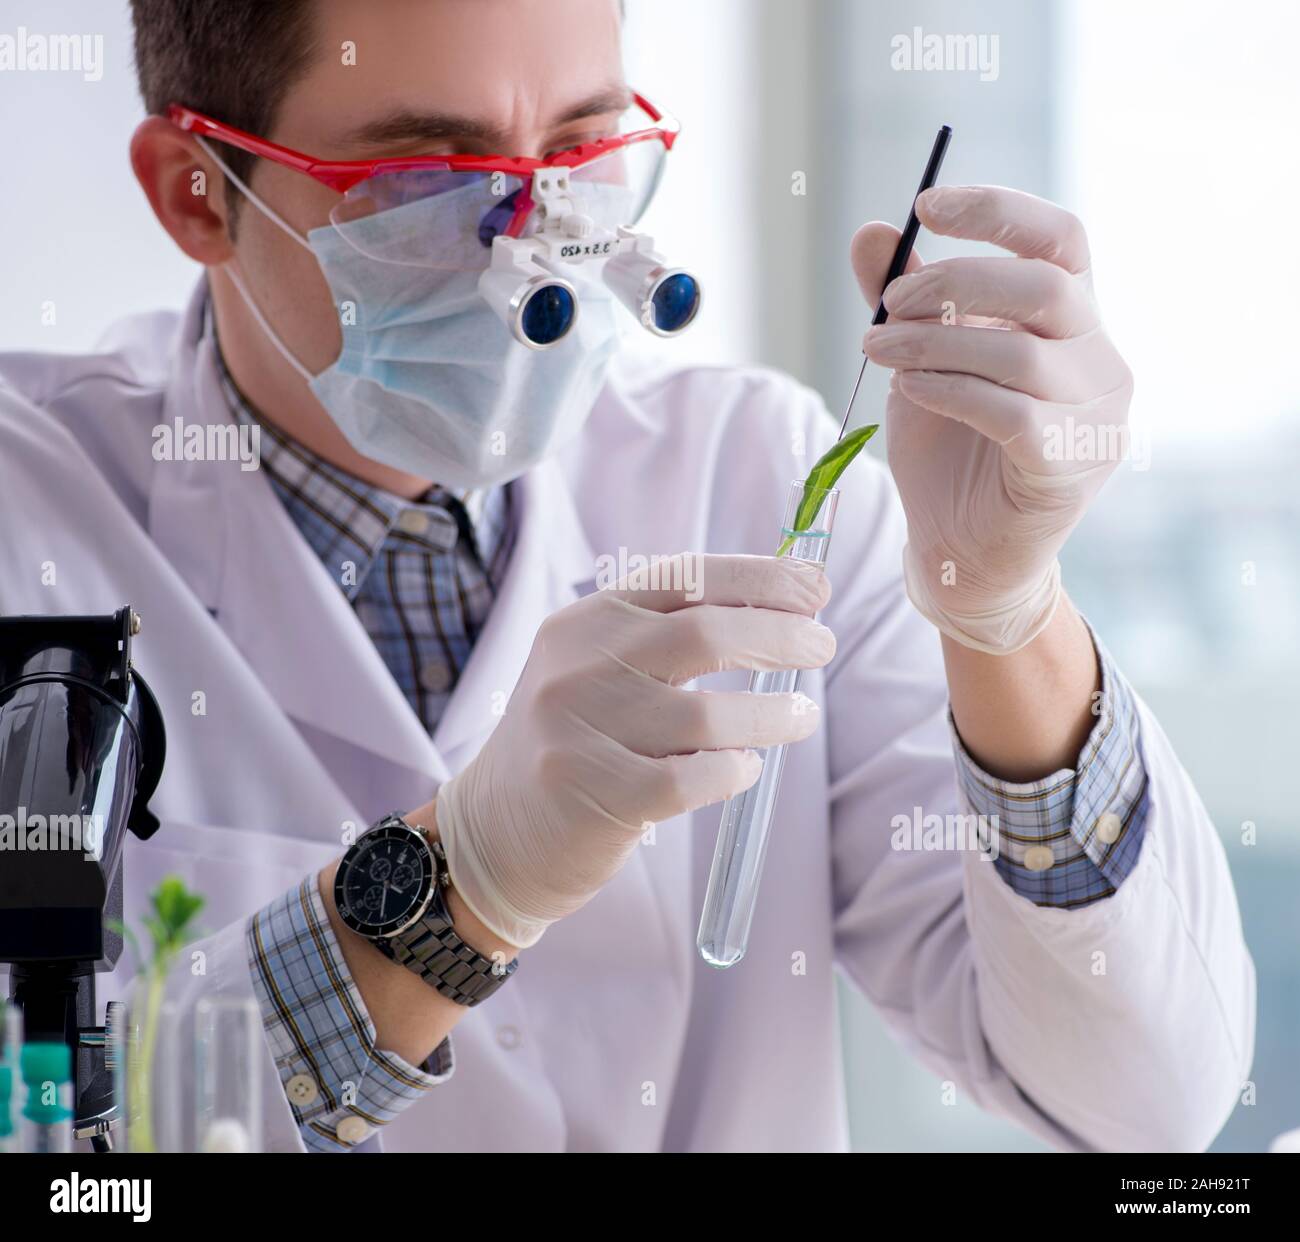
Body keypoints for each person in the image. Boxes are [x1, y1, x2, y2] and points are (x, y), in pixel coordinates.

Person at [0, 0, 1252, 1153]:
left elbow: (1145, 1105)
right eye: (435, 178)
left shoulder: (755, 471)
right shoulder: (28, 516)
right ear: (198, 192)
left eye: (586, 149)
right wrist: (454, 888)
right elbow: (47, 1140)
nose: (534, 247)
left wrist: (1005, 616)